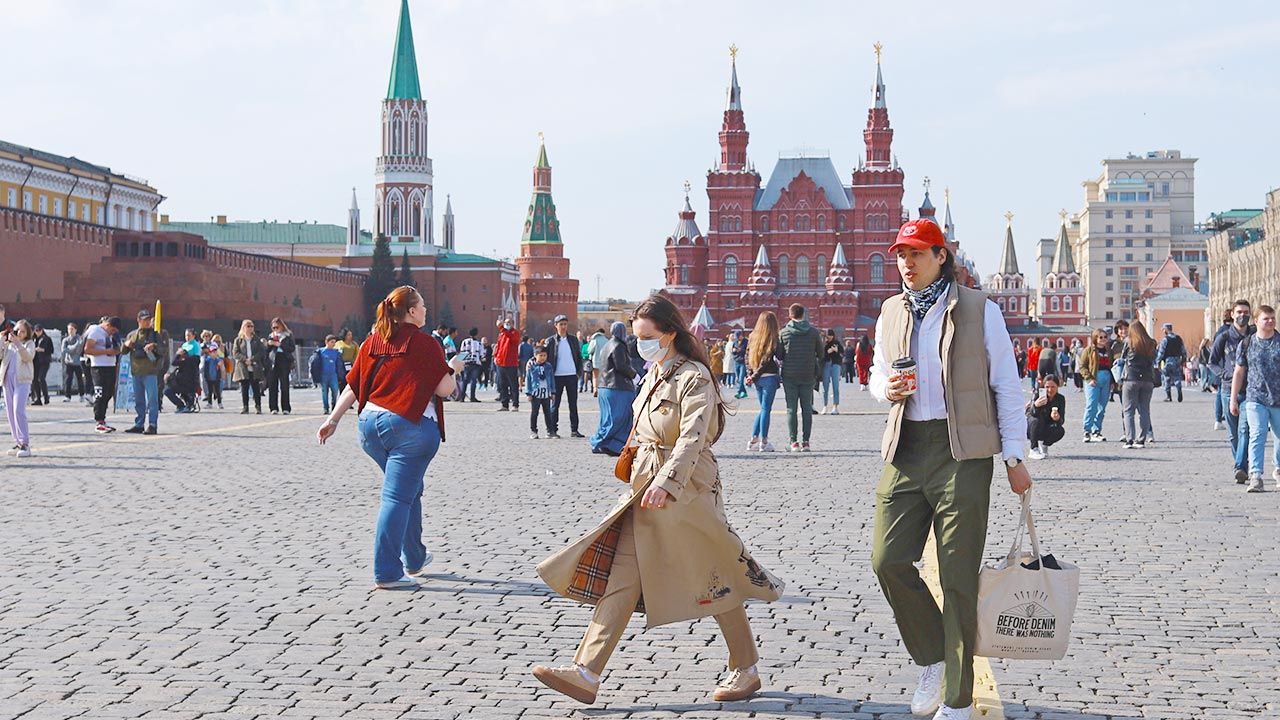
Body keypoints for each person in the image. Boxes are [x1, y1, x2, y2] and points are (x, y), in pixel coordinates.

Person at [533, 294, 784, 707]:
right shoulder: (654, 373)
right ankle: (586, 672)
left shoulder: (694, 376)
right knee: (623, 576)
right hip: (645, 489)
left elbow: (693, 436)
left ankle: (746, 667)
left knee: (714, 573)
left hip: (686, 491)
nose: (641, 345)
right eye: (637, 338)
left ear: (670, 333)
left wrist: (668, 481)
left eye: (648, 337)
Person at [868, 218, 1031, 720]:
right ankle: (936, 656)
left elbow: (1006, 383)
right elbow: (876, 373)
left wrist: (1016, 457)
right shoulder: (891, 310)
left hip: (964, 452)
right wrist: (884, 391)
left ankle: (958, 700)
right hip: (907, 447)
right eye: (901, 254)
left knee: (958, 575)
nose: (906, 263)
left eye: (916, 254)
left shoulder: (981, 310)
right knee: (887, 560)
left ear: (941, 256)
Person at [317, 285, 459, 589]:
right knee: (397, 496)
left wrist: (333, 419)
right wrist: (455, 369)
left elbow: (354, 386)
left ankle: (415, 556)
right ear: (410, 311)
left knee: (409, 489)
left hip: (369, 426)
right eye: (421, 306)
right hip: (408, 427)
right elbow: (445, 389)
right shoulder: (426, 344)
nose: (425, 311)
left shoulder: (372, 342)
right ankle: (388, 571)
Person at [1230, 304, 1280, 493]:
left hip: (1278, 398)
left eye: (1272, 318)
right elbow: (1239, 372)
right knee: (1257, 434)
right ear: (1256, 321)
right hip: (1255, 397)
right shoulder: (1247, 344)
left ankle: (1278, 469)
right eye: (1266, 318)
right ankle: (1256, 475)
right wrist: (1233, 399)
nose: (1270, 321)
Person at [1211, 300, 1254, 483]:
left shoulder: (1254, 335)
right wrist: (1225, 374)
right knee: (1234, 433)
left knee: (1245, 429)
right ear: (1232, 315)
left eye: (1246, 312)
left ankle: (1240, 467)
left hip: (1251, 389)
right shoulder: (1224, 336)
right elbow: (1212, 362)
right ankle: (1242, 461)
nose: (1242, 315)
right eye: (1239, 312)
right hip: (1228, 390)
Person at [778, 303, 822, 452]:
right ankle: (806, 442)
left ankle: (793, 442)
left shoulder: (784, 333)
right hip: (808, 374)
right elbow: (821, 353)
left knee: (791, 409)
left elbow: (779, 355)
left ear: (790, 315)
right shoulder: (813, 332)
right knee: (806, 409)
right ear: (803, 314)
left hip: (789, 375)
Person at [589, 322, 636, 456]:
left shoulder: (607, 345)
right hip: (617, 387)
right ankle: (611, 445)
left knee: (607, 419)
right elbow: (621, 366)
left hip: (605, 386)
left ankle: (600, 443)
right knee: (619, 418)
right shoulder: (619, 346)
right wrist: (634, 374)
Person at [122, 309, 167, 435]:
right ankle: (139, 423)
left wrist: (154, 346)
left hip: (150, 371)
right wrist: (126, 345)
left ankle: (152, 424)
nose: (147, 322)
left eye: (148, 320)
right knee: (139, 400)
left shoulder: (155, 335)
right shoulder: (132, 334)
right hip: (136, 371)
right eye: (144, 320)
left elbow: (163, 350)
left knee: (152, 400)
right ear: (138, 320)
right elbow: (123, 351)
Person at [745, 311, 782, 453]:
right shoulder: (773, 337)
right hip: (768, 377)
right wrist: (753, 376)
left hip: (757, 379)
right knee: (766, 409)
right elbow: (768, 360)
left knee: (762, 409)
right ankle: (764, 441)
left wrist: (751, 375)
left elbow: (747, 357)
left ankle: (754, 439)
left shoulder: (753, 337)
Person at [543, 314, 585, 438]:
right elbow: (544, 356)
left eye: (565, 324)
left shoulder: (573, 340)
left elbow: (578, 356)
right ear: (555, 326)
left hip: (571, 375)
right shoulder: (550, 341)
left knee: (573, 404)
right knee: (555, 404)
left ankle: (574, 430)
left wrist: (578, 372)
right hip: (556, 376)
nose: (563, 327)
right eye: (560, 324)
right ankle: (552, 430)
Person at [1119, 321, 1158, 449]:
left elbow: (1123, 358)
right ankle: (1141, 439)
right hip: (1147, 379)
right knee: (1145, 410)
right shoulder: (1151, 342)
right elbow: (1154, 359)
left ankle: (1129, 440)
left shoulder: (1129, 341)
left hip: (1131, 378)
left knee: (1128, 410)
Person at [82, 316, 122, 434]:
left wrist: (116, 350)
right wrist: (106, 352)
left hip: (110, 365)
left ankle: (103, 420)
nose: (113, 333)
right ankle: (99, 421)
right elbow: (87, 350)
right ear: (108, 325)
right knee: (100, 394)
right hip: (98, 367)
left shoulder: (112, 334)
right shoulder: (96, 331)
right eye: (113, 330)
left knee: (109, 392)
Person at [2, 320, 36, 457]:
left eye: (23, 331)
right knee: (10, 412)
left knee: (18, 410)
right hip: (7, 380)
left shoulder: (29, 344)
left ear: (27, 333)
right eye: (17, 330)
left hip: (22, 380)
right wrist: (2, 339)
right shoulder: (8, 345)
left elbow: (28, 357)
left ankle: (25, 444)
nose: (19, 333)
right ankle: (17, 441)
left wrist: (17, 343)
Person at [1078, 329, 1114, 443]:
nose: (1103, 339)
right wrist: (1089, 378)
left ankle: (1096, 430)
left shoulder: (1109, 350)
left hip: (1106, 378)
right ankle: (1087, 430)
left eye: (1105, 337)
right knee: (1091, 405)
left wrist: (1112, 382)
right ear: (1095, 338)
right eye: (1100, 337)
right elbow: (1082, 366)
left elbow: (1112, 366)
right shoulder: (1088, 350)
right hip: (1093, 379)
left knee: (1102, 407)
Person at [1026, 374, 1066, 460]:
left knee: (1060, 430)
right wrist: (1036, 405)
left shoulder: (1060, 399)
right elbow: (1031, 414)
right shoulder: (1038, 395)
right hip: (1032, 427)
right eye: (1047, 387)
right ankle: (1033, 448)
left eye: (1053, 387)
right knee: (1035, 420)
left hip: (1047, 426)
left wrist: (1057, 418)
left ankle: (1044, 445)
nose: (1050, 390)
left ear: (1057, 387)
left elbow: (1062, 421)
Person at [233, 319, 268, 415]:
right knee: (244, 388)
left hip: (254, 366)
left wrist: (252, 359)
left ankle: (258, 406)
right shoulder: (238, 340)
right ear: (243, 327)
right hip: (243, 367)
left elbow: (261, 352)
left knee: (256, 387)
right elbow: (236, 353)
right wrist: (245, 360)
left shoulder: (256, 339)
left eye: (252, 326)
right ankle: (245, 407)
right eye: (248, 326)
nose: (250, 328)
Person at [263, 317, 295, 415]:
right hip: (273, 360)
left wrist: (279, 344)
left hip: (284, 360)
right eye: (273, 328)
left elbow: (291, 348)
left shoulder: (288, 335)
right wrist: (269, 344)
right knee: (272, 385)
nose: (275, 329)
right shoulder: (271, 335)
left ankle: (286, 408)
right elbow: (267, 351)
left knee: (284, 385)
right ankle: (273, 407)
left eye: (277, 327)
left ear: (281, 326)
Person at [525, 344, 556, 439]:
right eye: (540, 355)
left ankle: (550, 431)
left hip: (546, 393)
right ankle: (533, 431)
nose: (543, 358)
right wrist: (528, 393)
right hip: (535, 393)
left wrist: (553, 392)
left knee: (548, 413)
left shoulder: (548, 366)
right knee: (535, 412)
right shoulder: (531, 366)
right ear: (535, 355)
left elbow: (551, 379)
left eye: (544, 355)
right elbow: (528, 380)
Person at [494, 316, 522, 412]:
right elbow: (499, 346)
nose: (507, 324)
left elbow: (511, 338)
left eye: (509, 322)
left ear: (513, 324)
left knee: (513, 385)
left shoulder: (515, 333)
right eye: (506, 322)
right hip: (500, 363)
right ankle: (504, 404)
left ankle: (515, 404)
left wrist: (502, 328)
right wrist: (496, 356)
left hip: (511, 363)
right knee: (502, 384)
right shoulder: (501, 334)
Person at [311, 334, 344, 414]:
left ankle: (334, 406)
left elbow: (339, 365)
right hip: (323, 375)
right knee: (324, 392)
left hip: (333, 375)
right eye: (332, 342)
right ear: (327, 342)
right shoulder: (320, 352)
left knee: (335, 391)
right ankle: (326, 408)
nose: (333, 344)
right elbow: (314, 363)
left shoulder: (336, 353)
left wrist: (340, 375)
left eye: (334, 342)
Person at [1155, 323, 1186, 403]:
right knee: (1177, 376)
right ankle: (1179, 389)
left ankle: (1169, 396)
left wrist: (1158, 362)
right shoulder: (1179, 338)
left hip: (1168, 361)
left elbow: (1161, 352)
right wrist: (1183, 359)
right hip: (1177, 360)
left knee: (1167, 377)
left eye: (1163, 330)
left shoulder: (1165, 339)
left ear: (1166, 329)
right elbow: (1183, 350)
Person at [163, 347, 200, 413]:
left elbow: (174, 362)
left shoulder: (186, 361)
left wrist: (178, 354)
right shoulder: (191, 361)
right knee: (172, 389)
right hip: (187, 385)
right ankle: (187, 405)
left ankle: (181, 406)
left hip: (186, 386)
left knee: (167, 391)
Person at [60, 323, 86, 403]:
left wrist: (70, 348)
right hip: (68, 362)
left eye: (72, 329)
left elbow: (79, 346)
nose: (70, 331)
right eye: (69, 329)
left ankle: (82, 395)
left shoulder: (79, 338)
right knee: (68, 379)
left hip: (78, 362)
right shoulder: (65, 340)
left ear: (75, 330)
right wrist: (73, 348)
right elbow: (63, 350)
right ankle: (67, 396)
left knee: (80, 379)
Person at [30, 324, 54, 406]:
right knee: (35, 379)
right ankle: (38, 398)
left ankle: (46, 396)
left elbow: (51, 350)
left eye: (39, 330)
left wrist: (43, 350)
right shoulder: (33, 339)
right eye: (36, 331)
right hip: (35, 361)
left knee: (41, 378)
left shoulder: (46, 339)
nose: (37, 332)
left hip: (44, 361)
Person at [820, 328, 843, 415]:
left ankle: (835, 406)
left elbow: (842, 352)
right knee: (825, 386)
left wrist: (837, 350)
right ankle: (825, 406)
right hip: (826, 365)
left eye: (830, 335)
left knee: (835, 386)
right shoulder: (823, 344)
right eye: (828, 335)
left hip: (835, 365)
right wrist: (827, 352)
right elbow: (820, 354)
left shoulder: (837, 343)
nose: (829, 337)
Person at [459, 328, 485, 402]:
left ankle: (462, 397)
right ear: (476, 333)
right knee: (474, 380)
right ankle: (472, 397)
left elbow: (462, 353)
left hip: (467, 363)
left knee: (465, 380)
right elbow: (482, 355)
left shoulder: (464, 342)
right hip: (475, 364)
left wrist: (461, 363)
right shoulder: (479, 343)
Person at [201, 330, 225, 409]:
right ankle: (209, 402)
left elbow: (221, 364)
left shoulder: (217, 359)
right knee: (210, 390)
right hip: (209, 377)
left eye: (207, 336)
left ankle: (219, 402)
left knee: (217, 391)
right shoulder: (207, 359)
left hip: (216, 377)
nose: (206, 337)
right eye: (204, 336)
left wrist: (222, 374)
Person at [587, 327, 609, 396]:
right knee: (603, 376)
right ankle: (602, 389)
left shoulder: (594, 340)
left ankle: (595, 389)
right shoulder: (606, 340)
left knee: (595, 376)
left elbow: (589, 350)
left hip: (596, 361)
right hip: (604, 362)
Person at [731, 329, 749, 398]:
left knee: (741, 378)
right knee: (738, 378)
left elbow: (748, 351)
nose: (738, 338)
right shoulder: (735, 342)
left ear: (741, 335)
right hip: (736, 361)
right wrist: (734, 351)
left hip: (743, 362)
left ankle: (739, 392)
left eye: (738, 336)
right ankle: (743, 392)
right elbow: (732, 351)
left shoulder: (746, 342)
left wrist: (740, 350)